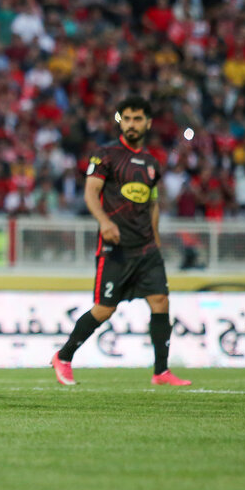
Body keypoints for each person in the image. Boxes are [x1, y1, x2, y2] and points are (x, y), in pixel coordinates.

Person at [51, 95, 191, 387]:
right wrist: (104, 222)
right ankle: (63, 356)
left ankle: (161, 372)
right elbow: (91, 193)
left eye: (137, 119)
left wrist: (156, 240)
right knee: (104, 309)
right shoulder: (105, 155)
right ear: (120, 121)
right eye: (126, 118)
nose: (131, 124)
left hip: (147, 248)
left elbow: (152, 204)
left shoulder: (152, 163)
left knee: (161, 301)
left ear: (148, 123)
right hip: (115, 248)